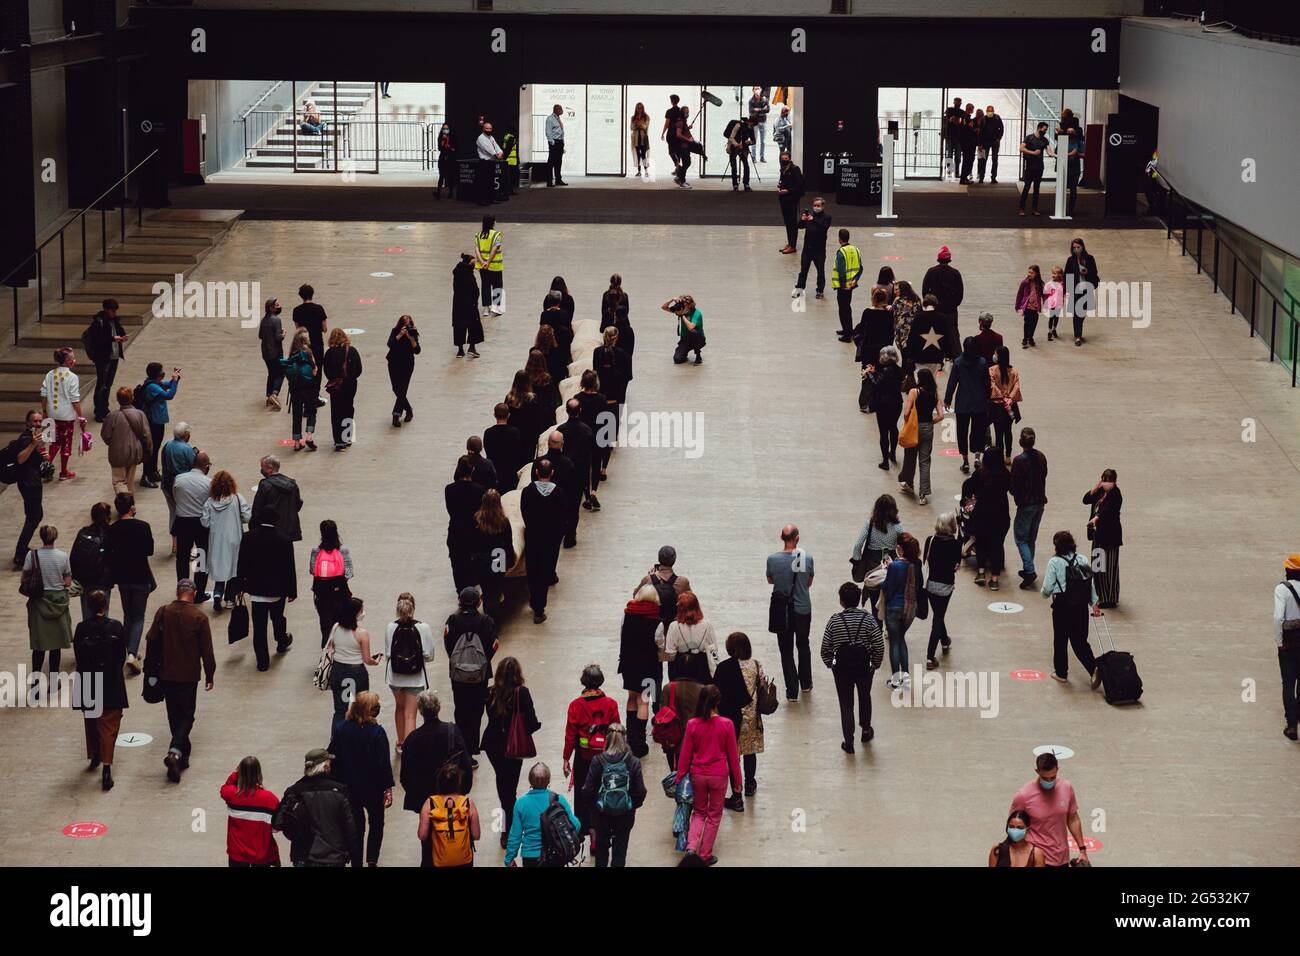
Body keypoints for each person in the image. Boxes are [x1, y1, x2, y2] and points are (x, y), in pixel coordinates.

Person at [143, 578, 216, 782]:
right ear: (193, 593)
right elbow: (206, 651)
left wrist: (150, 670)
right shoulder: (198, 617)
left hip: (166, 673)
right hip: (188, 675)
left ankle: (183, 755)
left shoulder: (163, 612)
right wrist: (210, 674)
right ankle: (175, 753)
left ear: (177, 592)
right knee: (187, 716)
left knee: (173, 714)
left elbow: (151, 639)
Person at [675, 684, 742, 867]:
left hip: (698, 774)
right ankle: (705, 854)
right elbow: (733, 756)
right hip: (719, 775)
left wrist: (680, 776)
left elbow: (685, 753)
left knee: (699, 812)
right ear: (718, 702)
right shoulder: (726, 724)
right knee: (714, 815)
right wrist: (738, 781)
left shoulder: (692, 724)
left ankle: (691, 849)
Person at [402, 689, 474, 855]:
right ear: (438, 708)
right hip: (451, 796)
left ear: (420, 711)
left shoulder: (413, 739)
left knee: (428, 845)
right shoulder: (452, 731)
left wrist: (418, 798)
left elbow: (405, 775)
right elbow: (466, 764)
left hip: (425, 799)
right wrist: (462, 791)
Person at [327, 691, 394, 867]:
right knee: (376, 823)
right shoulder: (377, 733)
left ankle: (356, 862)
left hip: (349, 788)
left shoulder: (342, 728)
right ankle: (372, 859)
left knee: (356, 826)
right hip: (373, 788)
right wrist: (388, 788)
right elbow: (383, 763)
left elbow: (332, 755)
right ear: (368, 710)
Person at [480, 657, 539, 847]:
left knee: (502, 780)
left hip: (492, 744)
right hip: (513, 746)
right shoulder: (521, 693)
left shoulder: (490, 693)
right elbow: (530, 722)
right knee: (510, 786)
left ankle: (506, 824)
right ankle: (508, 828)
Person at [72, 588, 126, 791]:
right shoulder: (116, 627)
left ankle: (94, 753)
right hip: (110, 680)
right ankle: (106, 766)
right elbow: (121, 655)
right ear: (106, 605)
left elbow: (78, 654)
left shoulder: (81, 628)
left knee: (91, 720)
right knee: (109, 726)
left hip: (88, 679)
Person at [563, 664, 622, 845]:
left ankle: (588, 831)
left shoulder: (576, 705)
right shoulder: (611, 704)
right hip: (605, 758)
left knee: (583, 794)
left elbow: (570, 735)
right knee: (602, 791)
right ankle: (602, 830)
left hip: (584, 758)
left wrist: (566, 758)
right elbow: (617, 731)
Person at [821, 581, 885, 750]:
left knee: (846, 704)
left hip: (842, 670)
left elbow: (825, 648)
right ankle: (865, 729)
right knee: (865, 697)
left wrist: (831, 664)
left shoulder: (835, 621)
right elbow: (878, 643)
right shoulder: (868, 619)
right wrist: (875, 664)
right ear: (858, 600)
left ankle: (849, 741)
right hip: (864, 667)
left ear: (841, 601)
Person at [274, 748, 356, 868]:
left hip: (303, 856)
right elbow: (350, 829)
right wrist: (350, 852)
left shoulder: (295, 791)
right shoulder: (339, 791)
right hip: (334, 857)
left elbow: (277, 823)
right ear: (325, 767)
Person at [236, 506, 296, 671]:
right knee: (278, 618)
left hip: (256, 591)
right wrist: (292, 591)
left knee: (259, 628)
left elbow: (242, 564)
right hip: (277, 590)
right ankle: (281, 640)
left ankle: (262, 662)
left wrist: (239, 586)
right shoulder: (284, 539)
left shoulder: (248, 538)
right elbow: (289, 568)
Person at [580, 724, 647, 867]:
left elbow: (587, 791)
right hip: (625, 815)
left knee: (601, 852)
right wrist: (631, 805)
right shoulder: (633, 762)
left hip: (601, 814)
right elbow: (640, 791)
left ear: (607, 739)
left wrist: (594, 807)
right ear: (625, 738)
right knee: (620, 853)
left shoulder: (597, 761)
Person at [444, 586, 499, 759]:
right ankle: (472, 748)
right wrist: (483, 662)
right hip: (480, 676)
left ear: (460, 601)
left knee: (460, 710)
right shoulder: (486, 621)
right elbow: (494, 645)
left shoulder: (452, 620)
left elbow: (448, 644)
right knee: (476, 711)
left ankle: (461, 749)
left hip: (458, 675)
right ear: (479, 602)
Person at [1009, 752, 1090, 867]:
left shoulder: (1066, 788)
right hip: (1036, 858)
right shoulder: (1023, 795)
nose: (1049, 781)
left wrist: (1082, 850)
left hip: (1061, 857)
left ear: (1057, 769)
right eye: (1045, 778)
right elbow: (1013, 827)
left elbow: (1073, 819)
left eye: (1053, 777)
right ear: (1037, 771)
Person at [1040, 531, 1100, 685]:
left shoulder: (1054, 562)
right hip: (1080, 606)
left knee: (1060, 640)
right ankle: (1094, 669)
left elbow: (1047, 588)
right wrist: (1094, 603)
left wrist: (1045, 595)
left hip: (1062, 605)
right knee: (1080, 641)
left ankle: (1061, 673)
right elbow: (1089, 583)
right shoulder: (1082, 559)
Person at [103, 492, 154, 671]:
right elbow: (150, 550)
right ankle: (132, 652)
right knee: (139, 616)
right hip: (141, 576)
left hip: (123, 578)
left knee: (128, 614)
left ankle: (128, 650)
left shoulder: (112, 529)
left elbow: (109, 553)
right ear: (132, 507)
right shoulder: (143, 526)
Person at [714, 632, 765, 807]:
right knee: (750, 751)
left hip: (730, 715)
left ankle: (737, 791)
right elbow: (763, 687)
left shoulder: (723, 667)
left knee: (732, 755)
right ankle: (750, 783)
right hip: (751, 716)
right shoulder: (756, 666)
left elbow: (716, 692)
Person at [767, 524, 815, 701]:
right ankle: (806, 684)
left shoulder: (772, 559)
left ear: (781, 538)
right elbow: (809, 582)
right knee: (803, 645)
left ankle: (792, 690)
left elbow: (770, 579)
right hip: (802, 608)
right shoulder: (806, 558)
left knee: (786, 650)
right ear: (797, 538)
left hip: (782, 611)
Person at [24, 525, 73, 697]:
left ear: (42, 537)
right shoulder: (63, 556)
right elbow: (67, 582)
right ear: (55, 537)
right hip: (58, 601)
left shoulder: (32, 555)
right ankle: (53, 682)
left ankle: (36, 686)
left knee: (39, 646)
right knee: (55, 646)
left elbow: (25, 577)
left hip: (38, 603)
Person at [503, 762, 579, 867]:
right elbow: (576, 825)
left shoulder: (521, 803)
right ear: (548, 780)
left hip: (530, 857)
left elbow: (515, 835)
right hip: (555, 854)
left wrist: (509, 859)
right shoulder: (558, 800)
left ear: (530, 780)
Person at [617, 583, 662, 758]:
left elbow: (622, 635)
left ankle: (630, 736)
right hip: (649, 667)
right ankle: (639, 742)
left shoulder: (627, 615)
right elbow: (661, 645)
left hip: (629, 664)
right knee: (644, 701)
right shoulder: (656, 621)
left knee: (631, 698)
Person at [520, 459, 566, 624]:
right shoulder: (559, 493)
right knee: (545, 570)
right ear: (552, 473)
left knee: (532, 569)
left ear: (537, 472)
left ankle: (534, 600)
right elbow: (562, 518)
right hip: (551, 539)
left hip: (533, 537)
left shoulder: (527, 492)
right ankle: (540, 607)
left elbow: (524, 514)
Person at [325, 596, 381, 732]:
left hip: (338, 670)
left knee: (340, 710)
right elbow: (367, 659)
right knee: (362, 707)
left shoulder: (336, 627)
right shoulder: (362, 634)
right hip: (355, 674)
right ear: (355, 613)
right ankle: (361, 735)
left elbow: (331, 646)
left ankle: (336, 742)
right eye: (361, 611)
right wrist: (376, 661)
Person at [200, 469, 251, 610]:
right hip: (234, 538)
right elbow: (247, 517)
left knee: (220, 568)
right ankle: (230, 598)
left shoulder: (209, 502)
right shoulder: (237, 498)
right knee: (233, 569)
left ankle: (217, 594)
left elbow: (205, 522)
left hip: (216, 540)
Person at [219, 756, 281, 866]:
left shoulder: (230, 794)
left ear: (240, 773)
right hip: (262, 855)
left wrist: (235, 773)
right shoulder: (270, 799)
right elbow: (276, 827)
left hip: (237, 855)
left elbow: (225, 786)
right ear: (258, 774)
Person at [881, 533, 924, 688]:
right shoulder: (916, 565)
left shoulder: (895, 566)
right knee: (901, 639)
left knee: (894, 642)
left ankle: (895, 679)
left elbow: (887, 588)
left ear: (899, 548)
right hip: (909, 610)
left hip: (893, 608)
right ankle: (906, 678)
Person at [418, 764, 482, 868]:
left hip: (437, 860)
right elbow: (476, 835)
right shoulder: (467, 803)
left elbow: (422, 835)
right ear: (458, 783)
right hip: (464, 860)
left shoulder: (430, 803)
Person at [943, 336, 990, 474]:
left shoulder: (958, 363)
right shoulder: (982, 362)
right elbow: (987, 384)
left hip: (963, 403)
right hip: (979, 403)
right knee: (978, 431)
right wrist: (988, 398)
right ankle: (977, 457)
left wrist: (947, 399)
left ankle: (965, 461)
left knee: (962, 432)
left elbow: (952, 383)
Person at [39, 347, 87, 482]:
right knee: (66, 443)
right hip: (66, 416)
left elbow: (43, 395)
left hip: (51, 414)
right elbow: (74, 399)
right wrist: (81, 416)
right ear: (68, 361)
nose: (74, 360)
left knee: (53, 443)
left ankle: (45, 467)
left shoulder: (49, 374)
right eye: (72, 358)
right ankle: (63, 471)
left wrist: (44, 411)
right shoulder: (72, 377)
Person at [853, 494, 903, 619]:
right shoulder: (897, 527)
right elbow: (905, 545)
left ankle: (877, 628)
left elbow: (857, 546)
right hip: (889, 562)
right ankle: (889, 626)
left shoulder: (869, 524)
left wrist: (857, 561)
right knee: (889, 597)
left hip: (872, 565)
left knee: (875, 601)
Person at [8, 410, 48, 570]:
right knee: (33, 517)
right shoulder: (26, 439)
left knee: (35, 515)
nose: (38, 424)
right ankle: (20, 553)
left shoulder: (34, 439)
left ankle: (22, 550)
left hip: (32, 482)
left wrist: (41, 455)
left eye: (40, 421)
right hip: (28, 484)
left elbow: (32, 459)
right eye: (35, 421)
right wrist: (33, 445)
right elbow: (20, 458)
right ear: (27, 423)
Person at [898, 367, 943, 506]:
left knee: (910, 456)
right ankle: (923, 494)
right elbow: (941, 416)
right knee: (925, 461)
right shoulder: (934, 393)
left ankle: (909, 483)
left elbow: (906, 413)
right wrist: (930, 423)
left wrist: (908, 424)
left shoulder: (914, 392)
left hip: (915, 427)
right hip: (928, 427)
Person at [1011, 427, 1049, 590]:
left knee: (1020, 538)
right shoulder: (1041, 456)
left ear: (1021, 442)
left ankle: (1029, 569)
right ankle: (1028, 567)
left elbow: (1014, 485)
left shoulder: (1019, 461)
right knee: (1030, 538)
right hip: (1040, 501)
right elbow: (1044, 475)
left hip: (1026, 503)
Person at [468, 489, 514, 621]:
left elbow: (472, 541)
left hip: (482, 560)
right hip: (498, 558)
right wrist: (510, 560)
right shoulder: (504, 522)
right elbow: (508, 544)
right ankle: (493, 618)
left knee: (487, 590)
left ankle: (488, 616)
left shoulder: (477, 520)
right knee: (496, 590)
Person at [923, 514, 962, 668]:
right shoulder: (956, 544)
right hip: (946, 587)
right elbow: (956, 566)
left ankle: (944, 640)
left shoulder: (930, 540)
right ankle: (929, 656)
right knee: (938, 617)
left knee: (938, 614)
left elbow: (926, 559)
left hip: (930, 585)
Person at [445, 455, 487, 593]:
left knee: (457, 564)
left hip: (456, 531)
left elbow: (450, 510)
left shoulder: (449, 489)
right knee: (472, 564)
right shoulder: (479, 490)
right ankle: (471, 590)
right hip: (473, 532)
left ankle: (460, 591)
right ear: (472, 470)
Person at [1082, 469, 1123, 608]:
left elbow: (1108, 511)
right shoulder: (1100, 492)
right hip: (1097, 535)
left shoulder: (1116, 494)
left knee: (1109, 568)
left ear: (1114, 482)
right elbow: (1086, 500)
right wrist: (1095, 487)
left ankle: (1109, 598)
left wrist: (1096, 518)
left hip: (1110, 536)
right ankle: (1098, 594)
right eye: (1104, 481)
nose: (1106, 484)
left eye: (1109, 481)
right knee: (1097, 565)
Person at [84, 298, 128, 422]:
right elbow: (98, 340)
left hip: (114, 356)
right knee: (101, 384)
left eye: (115, 311)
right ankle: (99, 411)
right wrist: (113, 338)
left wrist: (122, 337)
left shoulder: (114, 321)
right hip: (103, 358)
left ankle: (105, 408)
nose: (114, 313)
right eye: (112, 311)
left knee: (108, 384)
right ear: (106, 309)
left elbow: (120, 332)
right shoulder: (98, 322)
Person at [661, 591, 719, 683]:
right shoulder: (707, 625)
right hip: (702, 668)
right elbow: (713, 651)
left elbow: (670, 653)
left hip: (680, 668)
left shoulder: (674, 626)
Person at [312, 520, 353, 648]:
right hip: (340, 593)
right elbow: (349, 573)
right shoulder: (343, 550)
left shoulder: (316, 551)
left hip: (322, 595)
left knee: (326, 626)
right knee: (342, 625)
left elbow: (312, 571)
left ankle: (326, 657)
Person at [70, 502, 114, 622]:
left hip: (86, 582)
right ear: (108, 516)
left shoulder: (83, 533)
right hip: (103, 581)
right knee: (102, 615)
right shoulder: (110, 533)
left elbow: (73, 557)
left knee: (87, 616)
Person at [855, 288, 895, 412]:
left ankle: (864, 402)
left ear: (874, 299)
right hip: (883, 350)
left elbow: (861, 329)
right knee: (880, 374)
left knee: (867, 374)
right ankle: (875, 401)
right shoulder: (889, 314)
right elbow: (891, 332)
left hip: (868, 349)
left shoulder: (867, 312)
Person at [1273, 554, 1300, 740]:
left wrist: (1279, 641)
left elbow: (1278, 618)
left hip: (1290, 642)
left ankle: (1291, 726)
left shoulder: (1282, 590)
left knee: (1288, 684)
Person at [322, 328, 362, 451]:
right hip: (350, 384)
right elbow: (359, 369)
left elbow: (326, 371)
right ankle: (348, 437)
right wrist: (351, 377)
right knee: (348, 409)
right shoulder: (352, 351)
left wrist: (334, 378)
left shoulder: (329, 353)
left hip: (336, 385)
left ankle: (339, 442)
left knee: (336, 412)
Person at [866, 345, 904, 469]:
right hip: (897, 403)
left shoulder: (885, 371)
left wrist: (869, 375)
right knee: (893, 427)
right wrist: (875, 373)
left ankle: (885, 462)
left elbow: (877, 384)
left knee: (883, 432)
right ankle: (892, 453)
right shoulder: (899, 370)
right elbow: (889, 380)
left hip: (883, 404)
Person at [251, 454, 302, 545]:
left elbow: (257, 510)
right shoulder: (292, 484)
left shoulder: (264, 485)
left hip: (269, 531)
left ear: (270, 468)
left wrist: (253, 529)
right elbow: (297, 505)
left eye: (262, 467)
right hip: (288, 531)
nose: (261, 470)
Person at [280, 331, 318, 452]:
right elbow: (314, 369)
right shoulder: (307, 352)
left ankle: (296, 442)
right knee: (311, 410)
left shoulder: (292, 354)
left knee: (296, 414)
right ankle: (309, 437)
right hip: (308, 386)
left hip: (295, 388)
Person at [160, 423, 195, 552]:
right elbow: (193, 465)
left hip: (167, 484)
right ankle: (184, 542)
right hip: (182, 486)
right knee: (185, 513)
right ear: (185, 435)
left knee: (173, 512)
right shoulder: (187, 449)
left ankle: (175, 543)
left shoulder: (167, 446)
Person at [922, 246, 964, 352]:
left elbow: (925, 291)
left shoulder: (931, 272)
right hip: (951, 311)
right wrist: (953, 305)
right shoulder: (955, 273)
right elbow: (960, 294)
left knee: (934, 334)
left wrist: (930, 305)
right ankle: (956, 357)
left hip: (934, 310)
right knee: (953, 335)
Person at [291, 284, 328, 399]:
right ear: (312, 294)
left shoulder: (297, 311)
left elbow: (298, 329)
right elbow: (325, 329)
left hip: (303, 344)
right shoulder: (319, 309)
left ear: (301, 296)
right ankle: (315, 395)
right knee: (317, 368)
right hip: (317, 343)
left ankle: (305, 394)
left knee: (304, 368)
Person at [385, 314, 421, 428]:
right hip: (394, 363)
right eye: (404, 323)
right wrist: (400, 334)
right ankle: (408, 409)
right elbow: (390, 344)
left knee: (403, 389)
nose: (407, 326)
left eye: (408, 324)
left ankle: (396, 415)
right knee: (396, 388)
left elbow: (417, 350)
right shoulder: (395, 331)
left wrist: (411, 338)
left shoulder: (413, 332)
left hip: (407, 364)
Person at [1064, 237, 1100, 346]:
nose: (1076, 249)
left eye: (1078, 247)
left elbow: (1094, 272)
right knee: (1076, 313)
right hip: (1075, 289)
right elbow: (1067, 274)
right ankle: (1078, 335)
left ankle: (1078, 332)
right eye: (1074, 247)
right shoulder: (1070, 260)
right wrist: (1067, 290)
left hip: (1086, 288)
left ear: (1082, 247)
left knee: (1082, 312)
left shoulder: (1089, 259)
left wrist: (1087, 272)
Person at [987, 346, 1021, 462]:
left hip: (997, 406)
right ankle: (1008, 456)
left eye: (995, 354)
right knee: (1008, 431)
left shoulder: (992, 370)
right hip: (1010, 406)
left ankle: (1000, 456)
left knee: (998, 432)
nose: (994, 356)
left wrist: (1001, 396)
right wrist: (1010, 398)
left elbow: (993, 386)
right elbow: (1016, 386)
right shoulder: (1014, 371)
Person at [794, 197, 831, 299]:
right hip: (807, 250)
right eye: (814, 205)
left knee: (820, 271)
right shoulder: (810, 216)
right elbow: (800, 226)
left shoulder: (827, 217)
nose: (816, 207)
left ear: (823, 206)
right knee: (803, 270)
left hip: (819, 250)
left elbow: (824, 228)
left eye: (818, 206)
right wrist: (802, 220)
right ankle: (800, 288)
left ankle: (820, 290)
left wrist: (813, 220)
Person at [484, 403, 525, 494]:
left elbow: (488, 453)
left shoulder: (488, 433)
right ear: (509, 415)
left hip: (494, 474)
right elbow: (518, 453)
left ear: (494, 415)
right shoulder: (515, 432)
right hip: (510, 473)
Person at [832, 229, 863, 343]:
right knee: (847, 307)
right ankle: (847, 329)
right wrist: (855, 280)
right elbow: (860, 268)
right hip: (851, 285)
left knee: (843, 309)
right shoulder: (856, 250)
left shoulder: (841, 252)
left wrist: (844, 285)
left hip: (843, 286)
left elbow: (841, 271)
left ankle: (847, 334)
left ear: (839, 239)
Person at [451, 255, 483, 359]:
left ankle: (460, 350)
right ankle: (472, 347)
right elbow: (474, 290)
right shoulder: (468, 274)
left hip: (458, 304)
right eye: (473, 263)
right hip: (470, 304)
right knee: (474, 325)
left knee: (459, 326)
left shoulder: (457, 272)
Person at [1018, 121, 1051, 217]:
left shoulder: (1044, 140)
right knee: (1026, 187)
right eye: (1044, 129)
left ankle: (1034, 209)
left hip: (1039, 167)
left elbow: (1049, 152)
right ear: (1039, 128)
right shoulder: (1029, 138)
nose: (1045, 131)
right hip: (1030, 167)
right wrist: (1033, 153)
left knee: (1037, 188)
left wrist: (1058, 155)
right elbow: (1021, 148)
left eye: (1046, 130)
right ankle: (1021, 208)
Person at [258, 297, 285, 409]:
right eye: (276, 305)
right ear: (271, 308)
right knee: (280, 373)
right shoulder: (276, 320)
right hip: (276, 352)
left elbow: (260, 335)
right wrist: (283, 333)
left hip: (265, 352)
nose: (279, 306)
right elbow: (278, 338)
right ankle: (274, 394)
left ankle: (269, 397)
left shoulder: (263, 320)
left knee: (271, 373)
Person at [474, 215, 504, 316]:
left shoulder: (478, 235)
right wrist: (488, 262)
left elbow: (477, 250)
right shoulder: (496, 235)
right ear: (493, 223)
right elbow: (494, 249)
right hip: (494, 266)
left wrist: (482, 262)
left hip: (482, 267)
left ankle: (486, 309)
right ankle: (495, 308)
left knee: (485, 286)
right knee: (497, 285)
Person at [661, 295, 704, 366]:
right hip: (685, 339)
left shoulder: (697, 313)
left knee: (693, 332)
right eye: (682, 304)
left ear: (690, 305)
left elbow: (691, 327)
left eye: (685, 305)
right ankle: (684, 354)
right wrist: (672, 300)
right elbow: (663, 307)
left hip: (698, 339)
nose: (683, 306)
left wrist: (682, 315)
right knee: (677, 360)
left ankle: (698, 356)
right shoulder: (681, 309)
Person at [776, 151, 805, 254]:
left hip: (792, 199)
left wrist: (788, 190)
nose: (783, 161)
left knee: (792, 223)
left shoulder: (795, 169)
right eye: (782, 159)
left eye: (786, 159)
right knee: (787, 222)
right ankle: (789, 243)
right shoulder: (783, 169)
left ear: (789, 159)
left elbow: (800, 185)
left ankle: (793, 245)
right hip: (783, 199)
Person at [1014, 264, 1045, 349]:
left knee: (1034, 323)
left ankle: (1030, 337)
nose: (1029, 274)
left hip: (1035, 307)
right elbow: (1019, 294)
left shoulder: (1040, 284)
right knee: (1027, 323)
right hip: (1027, 306)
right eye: (1029, 272)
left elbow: (1043, 295)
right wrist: (1017, 306)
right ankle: (1025, 338)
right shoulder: (1024, 282)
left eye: (1032, 273)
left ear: (1037, 274)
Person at [474, 120, 504, 206]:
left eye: (490, 128)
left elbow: (497, 147)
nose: (489, 130)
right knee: (484, 182)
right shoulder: (481, 138)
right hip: (484, 163)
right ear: (483, 129)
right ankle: (482, 200)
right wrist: (496, 155)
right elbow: (489, 149)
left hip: (491, 162)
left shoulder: (491, 138)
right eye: (487, 128)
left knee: (491, 182)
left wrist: (500, 152)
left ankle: (491, 199)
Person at [726, 114, 754, 191]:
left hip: (744, 147)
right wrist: (737, 145)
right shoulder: (738, 125)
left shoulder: (750, 128)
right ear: (748, 122)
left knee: (746, 165)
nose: (751, 126)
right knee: (734, 167)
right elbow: (731, 137)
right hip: (734, 147)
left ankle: (746, 184)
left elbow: (753, 140)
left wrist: (749, 142)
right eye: (751, 124)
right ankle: (735, 184)